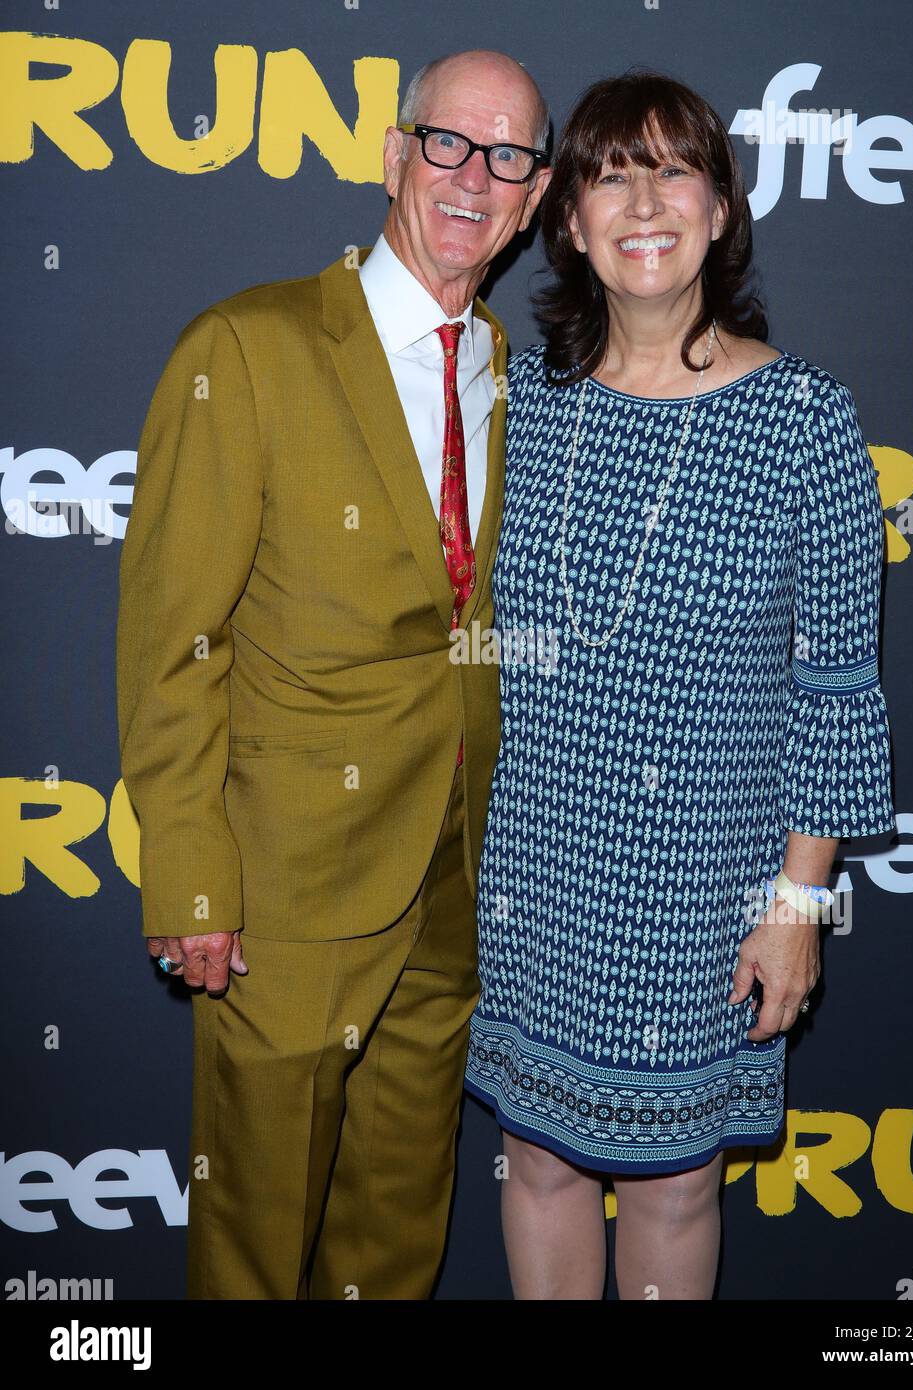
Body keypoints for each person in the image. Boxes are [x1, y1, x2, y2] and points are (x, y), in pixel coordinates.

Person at [116, 48, 550, 1300]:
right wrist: (193, 874)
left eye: (507, 155)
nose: (472, 176)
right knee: (253, 1248)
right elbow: (173, 643)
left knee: (393, 1242)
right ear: (392, 154)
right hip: (286, 892)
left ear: (529, 199)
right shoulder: (247, 347)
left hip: (455, 887)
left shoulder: (511, 376)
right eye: (447, 142)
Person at [464, 69, 896, 1299]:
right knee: (534, 1166)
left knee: (673, 1184)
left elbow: (836, 696)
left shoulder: (805, 420)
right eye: (608, 172)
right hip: (530, 875)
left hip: (705, 893)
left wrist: (796, 913)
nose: (641, 201)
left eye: (672, 171)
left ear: (718, 210)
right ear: (565, 217)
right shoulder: (520, 403)